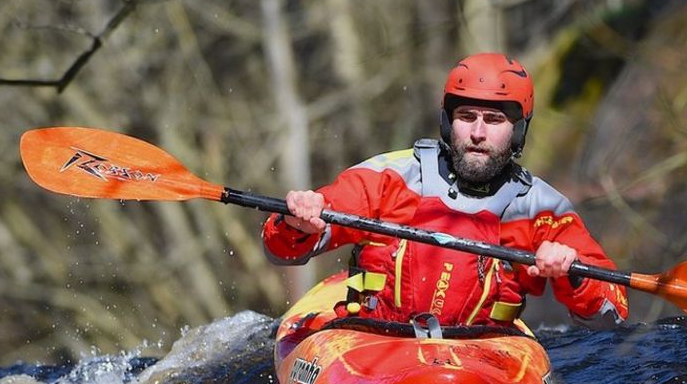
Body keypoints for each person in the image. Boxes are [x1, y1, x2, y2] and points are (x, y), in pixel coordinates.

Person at [262, 52, 628, 329]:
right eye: (466, 117)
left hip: (482, 354)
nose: (478, 133)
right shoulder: (389, 178)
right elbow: (281, 248)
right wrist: (299, 224)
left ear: (518, 131)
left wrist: (573, 272)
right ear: (447, 122)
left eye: (495, 120)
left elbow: (611, 311)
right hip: (373, 339)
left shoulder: (541, 210)